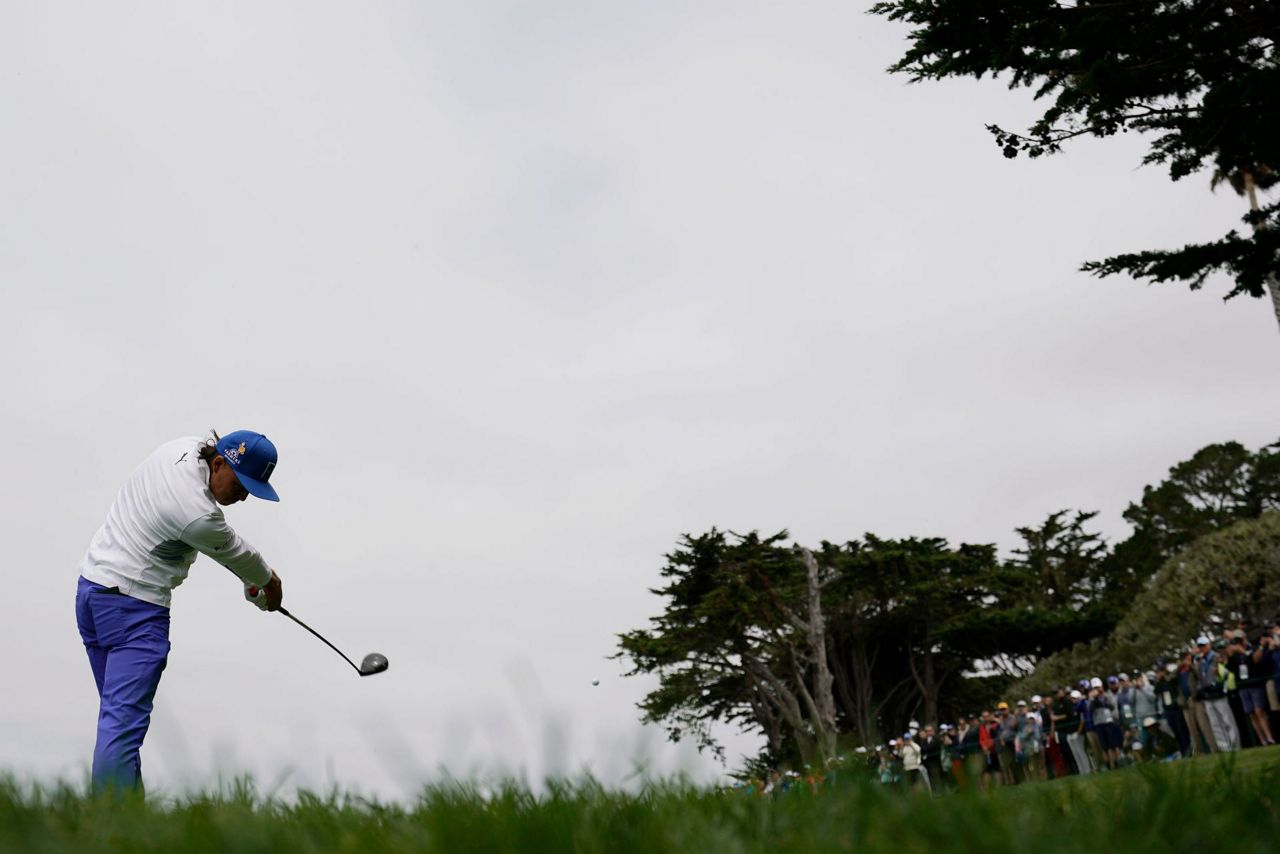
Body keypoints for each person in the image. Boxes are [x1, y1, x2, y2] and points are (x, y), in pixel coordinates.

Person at [75, 431, 284, 794]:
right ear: (218, 463)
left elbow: (230, 556)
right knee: (121, 728)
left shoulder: (181, 447)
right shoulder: (198, 517)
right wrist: (269, 583)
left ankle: (129, 821)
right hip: (134, 611)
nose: (244, 497)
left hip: (92, 593)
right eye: (240, 485)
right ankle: (109, 822)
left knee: (118, 721)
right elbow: (241, 556)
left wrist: (251, 580)